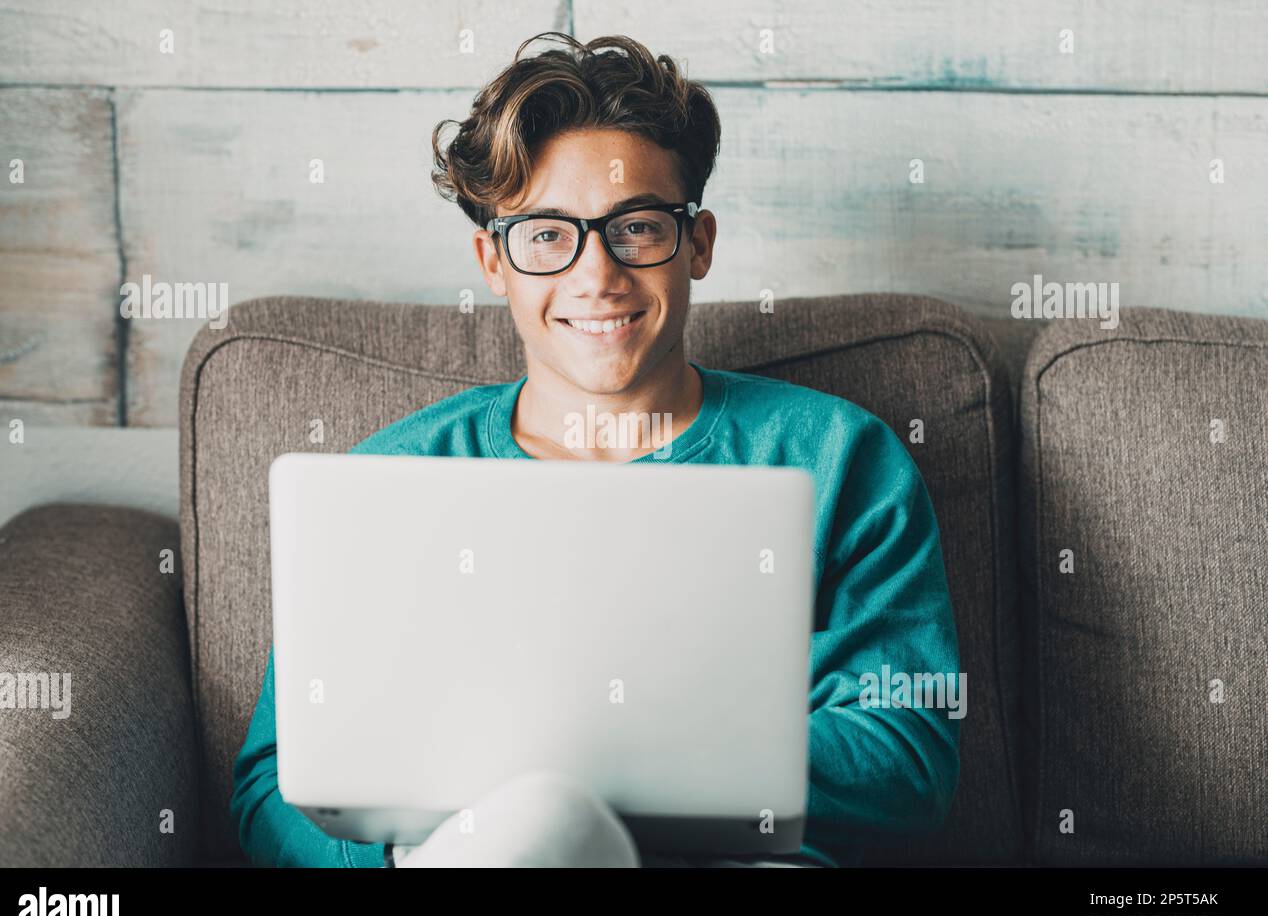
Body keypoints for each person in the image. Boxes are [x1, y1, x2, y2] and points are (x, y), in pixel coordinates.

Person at [231, 31, 961, 868]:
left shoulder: (840, 458)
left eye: (637, 227)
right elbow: (270, 788)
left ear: (699, 243)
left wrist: (595, 768)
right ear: (493, 261)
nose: (598, 275)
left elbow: (910, 755)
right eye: (546, 235)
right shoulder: (381, 483)